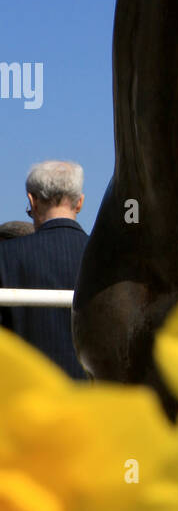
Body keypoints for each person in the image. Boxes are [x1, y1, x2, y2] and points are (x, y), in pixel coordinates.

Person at [0, 161, 89, 379]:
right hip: (94, 403)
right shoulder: (109, 255)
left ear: (32, 200)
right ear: (79, 202)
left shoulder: (6, 255)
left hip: (26, 401)